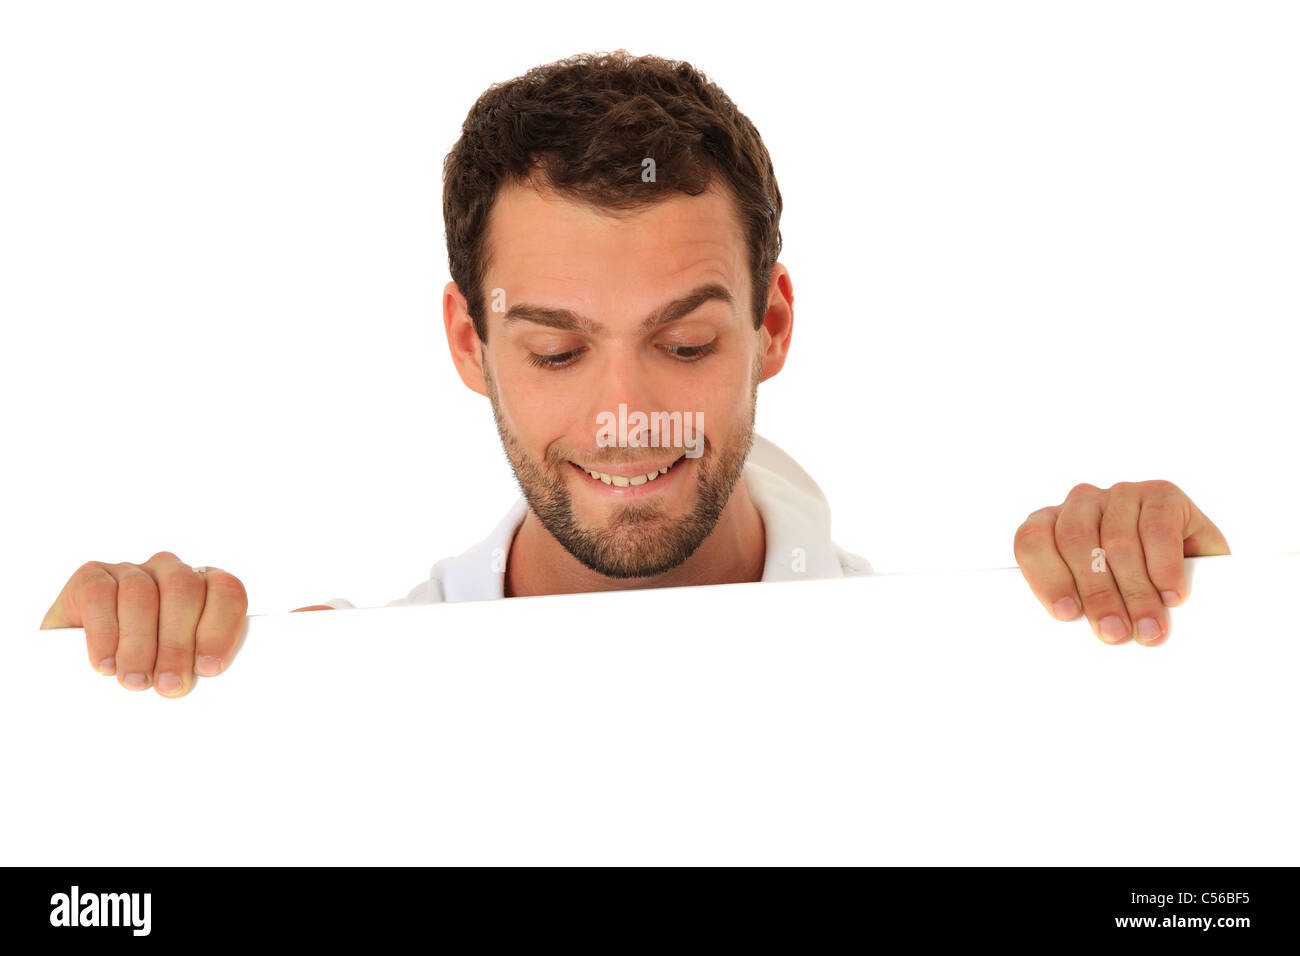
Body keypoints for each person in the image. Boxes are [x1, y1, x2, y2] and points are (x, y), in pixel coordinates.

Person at [39, 51, 1231, 697]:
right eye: (557, 348)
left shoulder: (982, 675)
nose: (626, 413)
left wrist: (1204, 640)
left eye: (686, 340)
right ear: (470, 344)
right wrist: (73, 726)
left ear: (770, 323)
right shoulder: (328, 694)